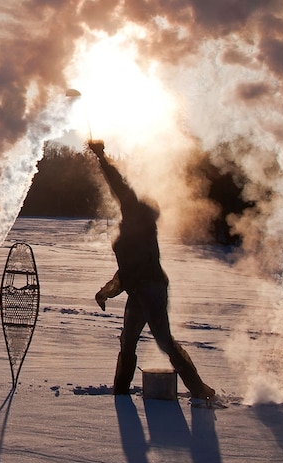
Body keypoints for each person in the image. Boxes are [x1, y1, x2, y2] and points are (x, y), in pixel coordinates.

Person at [87, 140, 215, 401]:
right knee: (128, 341)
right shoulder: (133, 227)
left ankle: (200, 390)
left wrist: (101, 157)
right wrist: (106, 292)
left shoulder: (138, 219)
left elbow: (119, 185)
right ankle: (120, 393)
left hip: (152, 290)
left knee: (164, 341)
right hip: (138, 291)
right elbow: (125, 272)